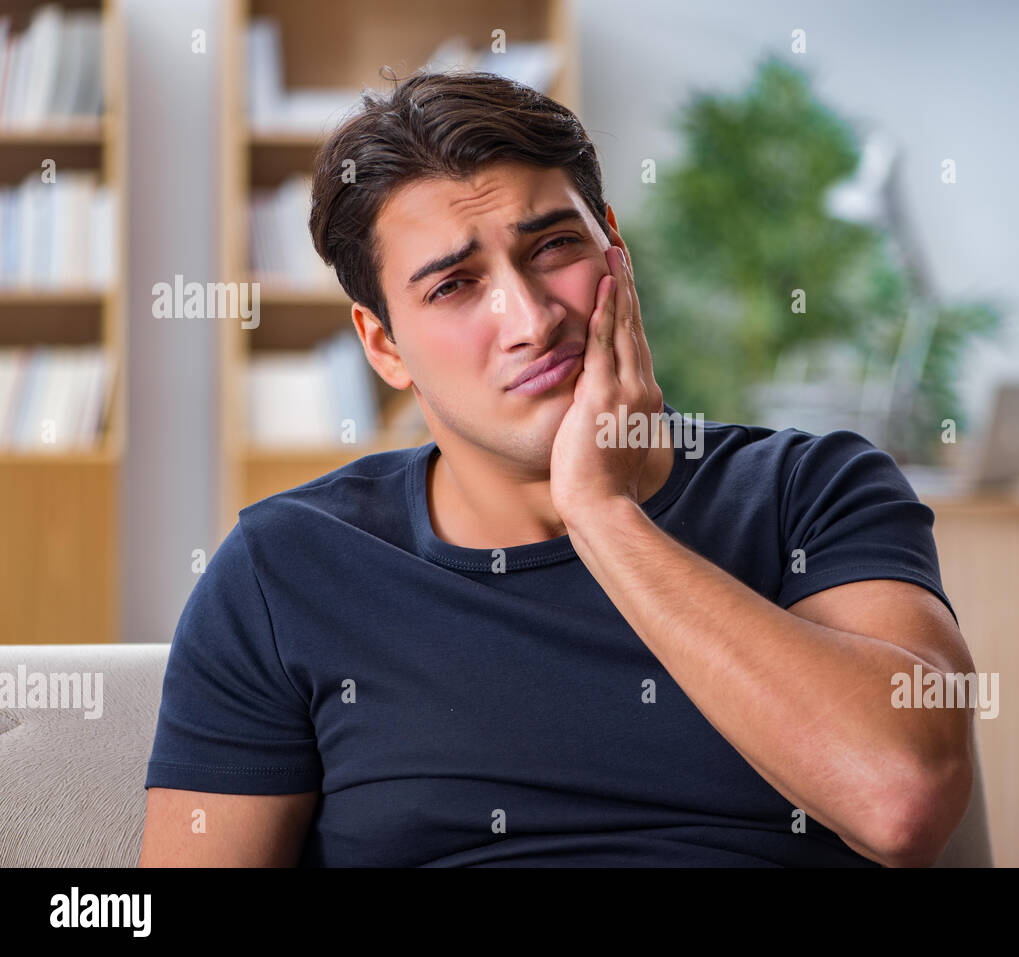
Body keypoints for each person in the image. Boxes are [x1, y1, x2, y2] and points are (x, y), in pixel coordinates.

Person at [139, 70, 975, 868]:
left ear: (617, 251)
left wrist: (605, 515)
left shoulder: (811, 490)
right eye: (455, 285)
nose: (531, 319)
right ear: (384, 344)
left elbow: (901, 797)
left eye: (553, 247)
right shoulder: (284, 570)